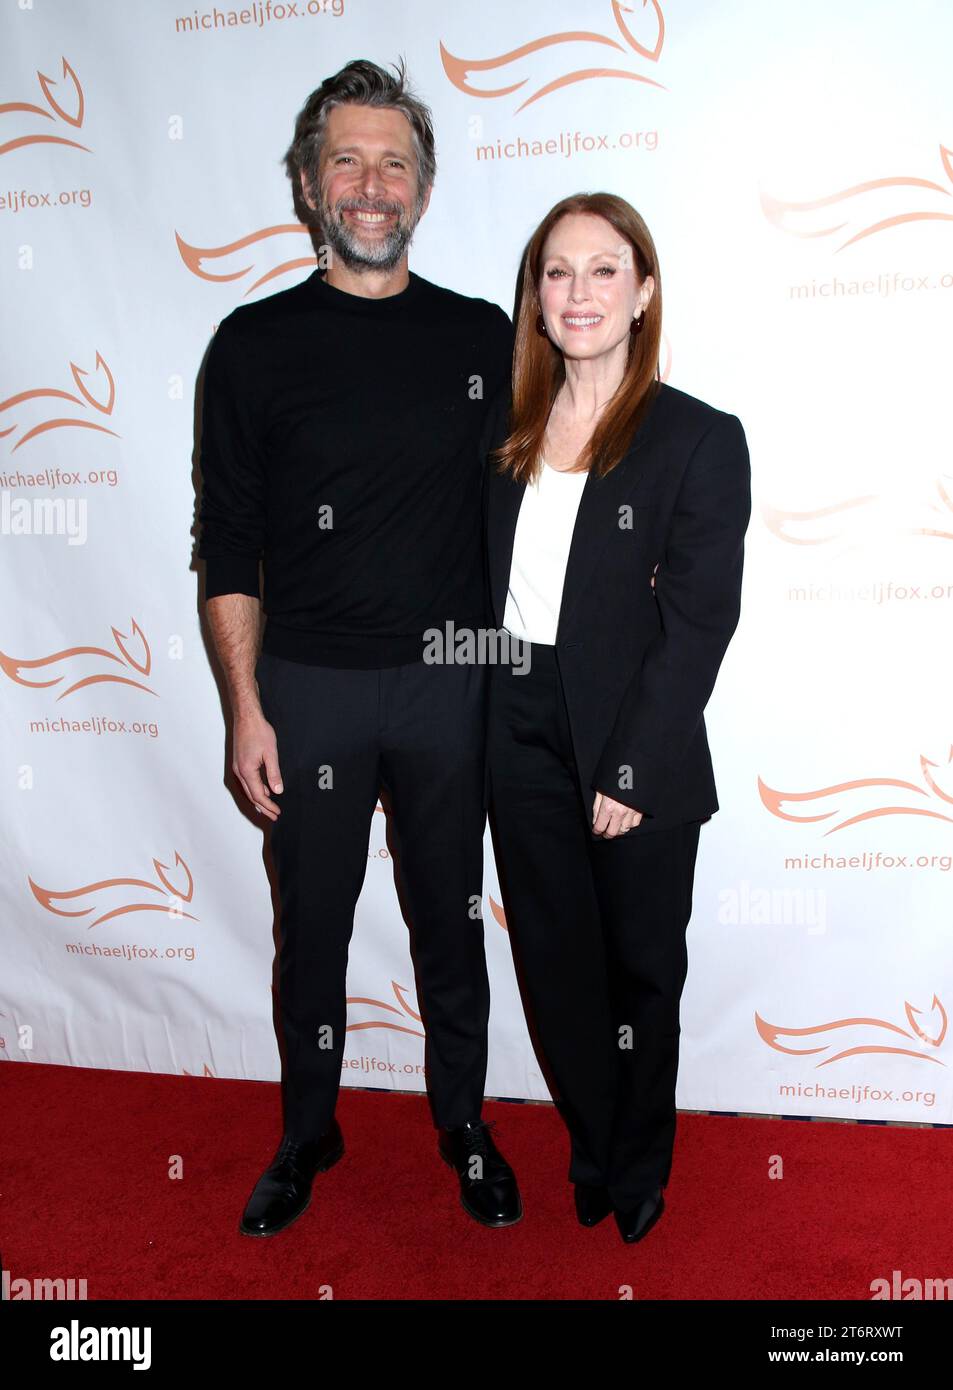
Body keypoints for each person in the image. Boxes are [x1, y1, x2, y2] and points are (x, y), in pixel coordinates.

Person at [197, 58, 521, 1237]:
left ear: (423, 190)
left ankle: (464, 1123)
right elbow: (227, 541)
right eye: (348, 159)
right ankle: (307, 1130)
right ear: (307, 182)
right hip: (311, 686)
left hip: (448, 682)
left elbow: (533, 511)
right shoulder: (251, 345)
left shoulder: (483, 338)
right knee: (314, 930)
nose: (370, 184)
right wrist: (245, 704)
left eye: (393, 162)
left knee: (450, 915)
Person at [482, 192, 751, 1243]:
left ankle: (636, 1167)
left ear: (640, 293)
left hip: (633, 729)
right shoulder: (502, 431)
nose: (578, 291)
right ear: (535, 298)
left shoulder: (694, 438)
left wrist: (630, 768)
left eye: (603, 270)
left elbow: (695, 627)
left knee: (640, 970)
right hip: (514, 718)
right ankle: (592, 1139)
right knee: (550, 961)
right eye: (557, 271)